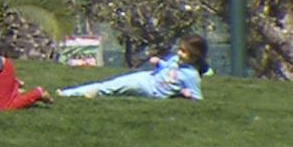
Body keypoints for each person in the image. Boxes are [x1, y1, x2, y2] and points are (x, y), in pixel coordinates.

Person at [59, 36, 207, 101]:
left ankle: (82, 93)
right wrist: (159, 62)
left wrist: (185, 95)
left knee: (115, 86)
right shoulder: (175, 60)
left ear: (194, 57)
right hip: (148, 78)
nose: (179, 53)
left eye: (184, 52)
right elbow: (167, 69)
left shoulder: (191, 75)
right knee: (113, 84)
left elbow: (197, 98)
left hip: (151, 90)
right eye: (180, 49)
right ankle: (71, 93)